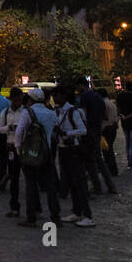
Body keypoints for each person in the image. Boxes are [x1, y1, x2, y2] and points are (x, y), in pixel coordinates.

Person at [13, 88, 61, 227]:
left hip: (31, 153)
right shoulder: (50, 113)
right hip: (47, 152)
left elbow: (19, 131)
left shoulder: (28, 112)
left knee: (31, 185)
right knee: (50, 186)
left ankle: (31, 216)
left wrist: (18, 149)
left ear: (30, 99)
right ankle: (55, 216)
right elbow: (56, 130)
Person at [52, 85, 94, 227]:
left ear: (63, 96)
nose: (54, 98)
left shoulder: (72, 111)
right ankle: (77, 212)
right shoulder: (58, 111)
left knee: (80, 182)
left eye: (56, 95)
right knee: (71, 182)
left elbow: (82, 130)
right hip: (63, 149)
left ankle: (87, 215)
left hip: (74, 150)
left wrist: (67, 134)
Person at [74, 78, 117, 195]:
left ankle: (96, 187)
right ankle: (109, 185)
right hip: (97, 129)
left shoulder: (85, 97)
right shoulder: (97, 96)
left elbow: (84, 114)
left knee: (89, 160)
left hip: (89, 131)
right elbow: (104, 115)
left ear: (81, 85)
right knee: (98, 159)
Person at [0, 87, 23, 214]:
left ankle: (35, 208)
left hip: (24, 148)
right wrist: (9, 128)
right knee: (14, 178)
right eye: (16, 100)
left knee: (30, 179)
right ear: (12, 99)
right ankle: (14, 206)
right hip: (11, 147)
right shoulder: (5, 112)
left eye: (20, 100)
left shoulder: (26, 112)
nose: (18, 103)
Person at [116, 81, 132, 169]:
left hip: (124, 122)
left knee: (127, 142)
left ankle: (129, 160)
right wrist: (128, 116)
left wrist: (122, 116)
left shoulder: (120, 96)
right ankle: (131, 162)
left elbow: (118, 109)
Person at [100, 86, 120, 176]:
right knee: (109, 149)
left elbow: (104, 116)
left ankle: (111, 169)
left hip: (107, 127)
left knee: (107, 150)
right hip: (113, 127)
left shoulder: (103, 103)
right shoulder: (111, 103)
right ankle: (112, 169)